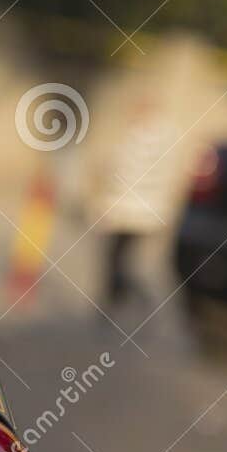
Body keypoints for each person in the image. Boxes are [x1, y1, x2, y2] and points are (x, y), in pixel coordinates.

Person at [91, 91, 179, 317]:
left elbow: (122, 174)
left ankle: (124, 298)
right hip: (140, 210)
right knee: (120, 256)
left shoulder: (145, 138)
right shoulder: (155, 136)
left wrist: (106, 203)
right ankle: (116, 299)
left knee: (118, 257)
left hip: (132, 211)